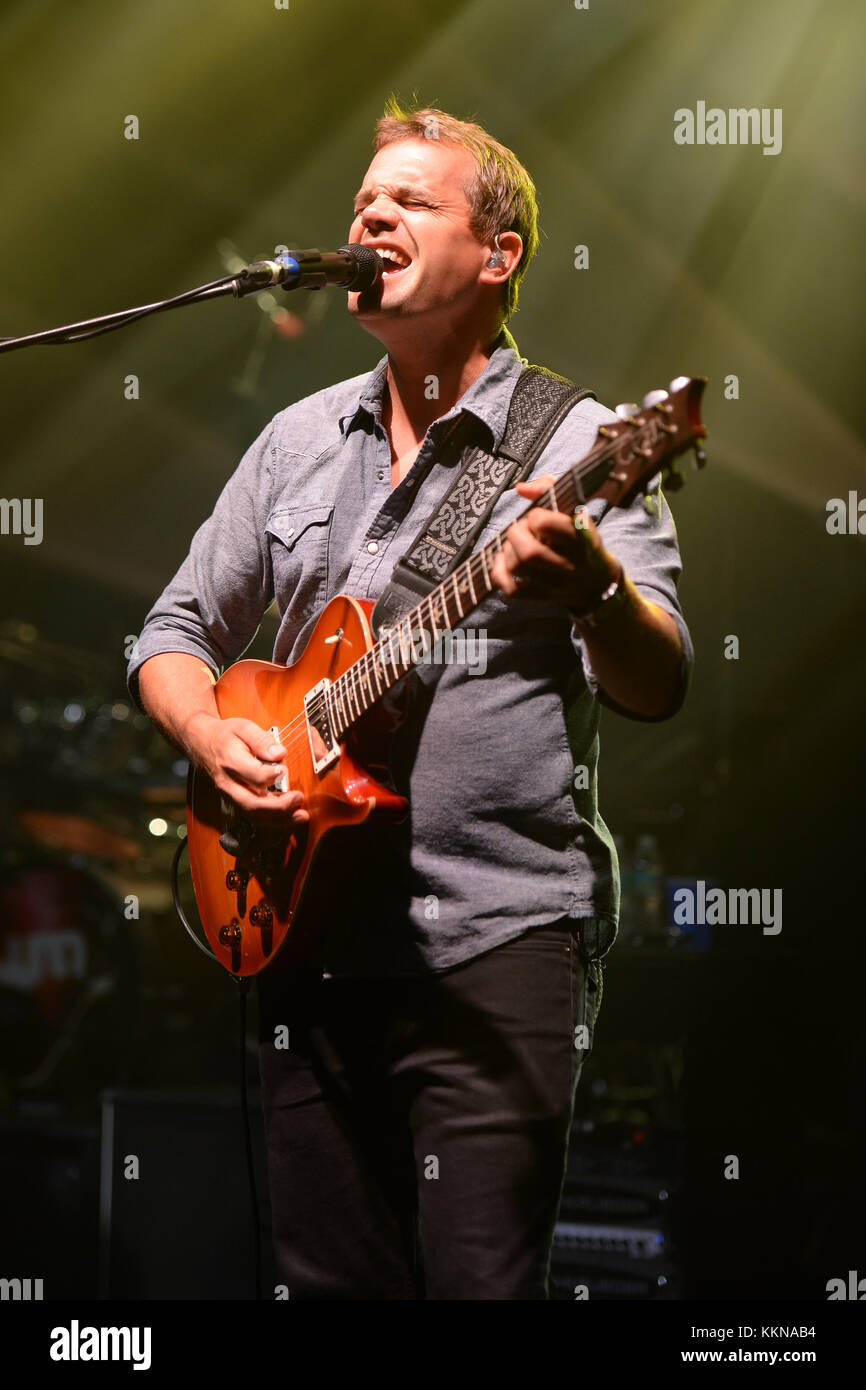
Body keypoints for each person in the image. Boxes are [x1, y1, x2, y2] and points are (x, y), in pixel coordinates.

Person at [127, 100, 693, 1300]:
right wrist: (209, 731)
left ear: (498, 255)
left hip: (492, 938)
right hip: (307, 929)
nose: (367, 215)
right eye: (360, 203)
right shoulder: (296, 440)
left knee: (478, 1282)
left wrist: (594, 589)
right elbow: (172, 632)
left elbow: (659, 679)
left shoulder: (582, 440)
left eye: (408, 200)